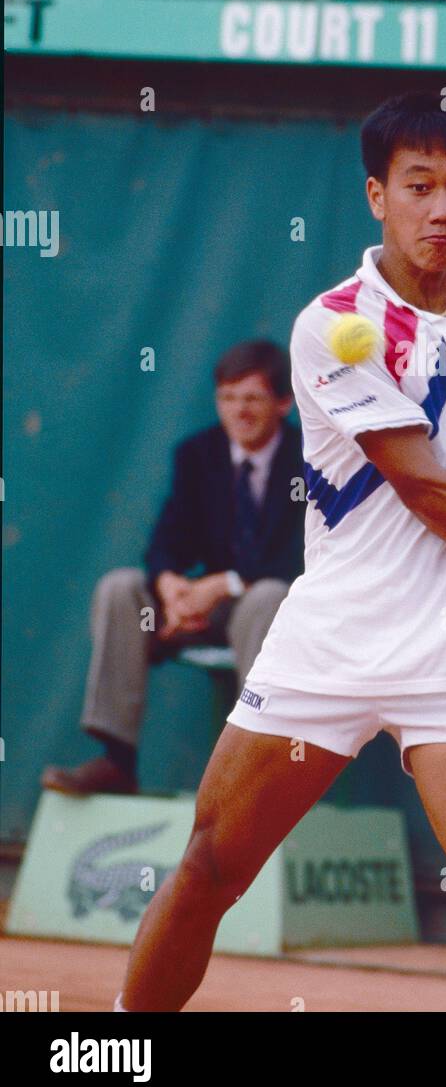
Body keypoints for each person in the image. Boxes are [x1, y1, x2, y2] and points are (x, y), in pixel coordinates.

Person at [113, 91, 446, 1013]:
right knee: (211, 867)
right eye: (418, 188)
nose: (441, 209)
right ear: (377, 195)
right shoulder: (330, 325)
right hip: (334, 642)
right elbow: (424, 485)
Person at [41, 340, 306, 797]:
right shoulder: (198, 454)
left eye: (252, 398)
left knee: (268, 597)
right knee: (121, 588)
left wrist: (221, 585)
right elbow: (168, 539)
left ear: (284, 402)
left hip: (270, 608)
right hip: (198, 612)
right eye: (227, 398)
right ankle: (117, 761)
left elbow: (301, 556)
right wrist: (169, 587)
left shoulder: (313, 456)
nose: (238, 411)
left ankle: (255, 767)